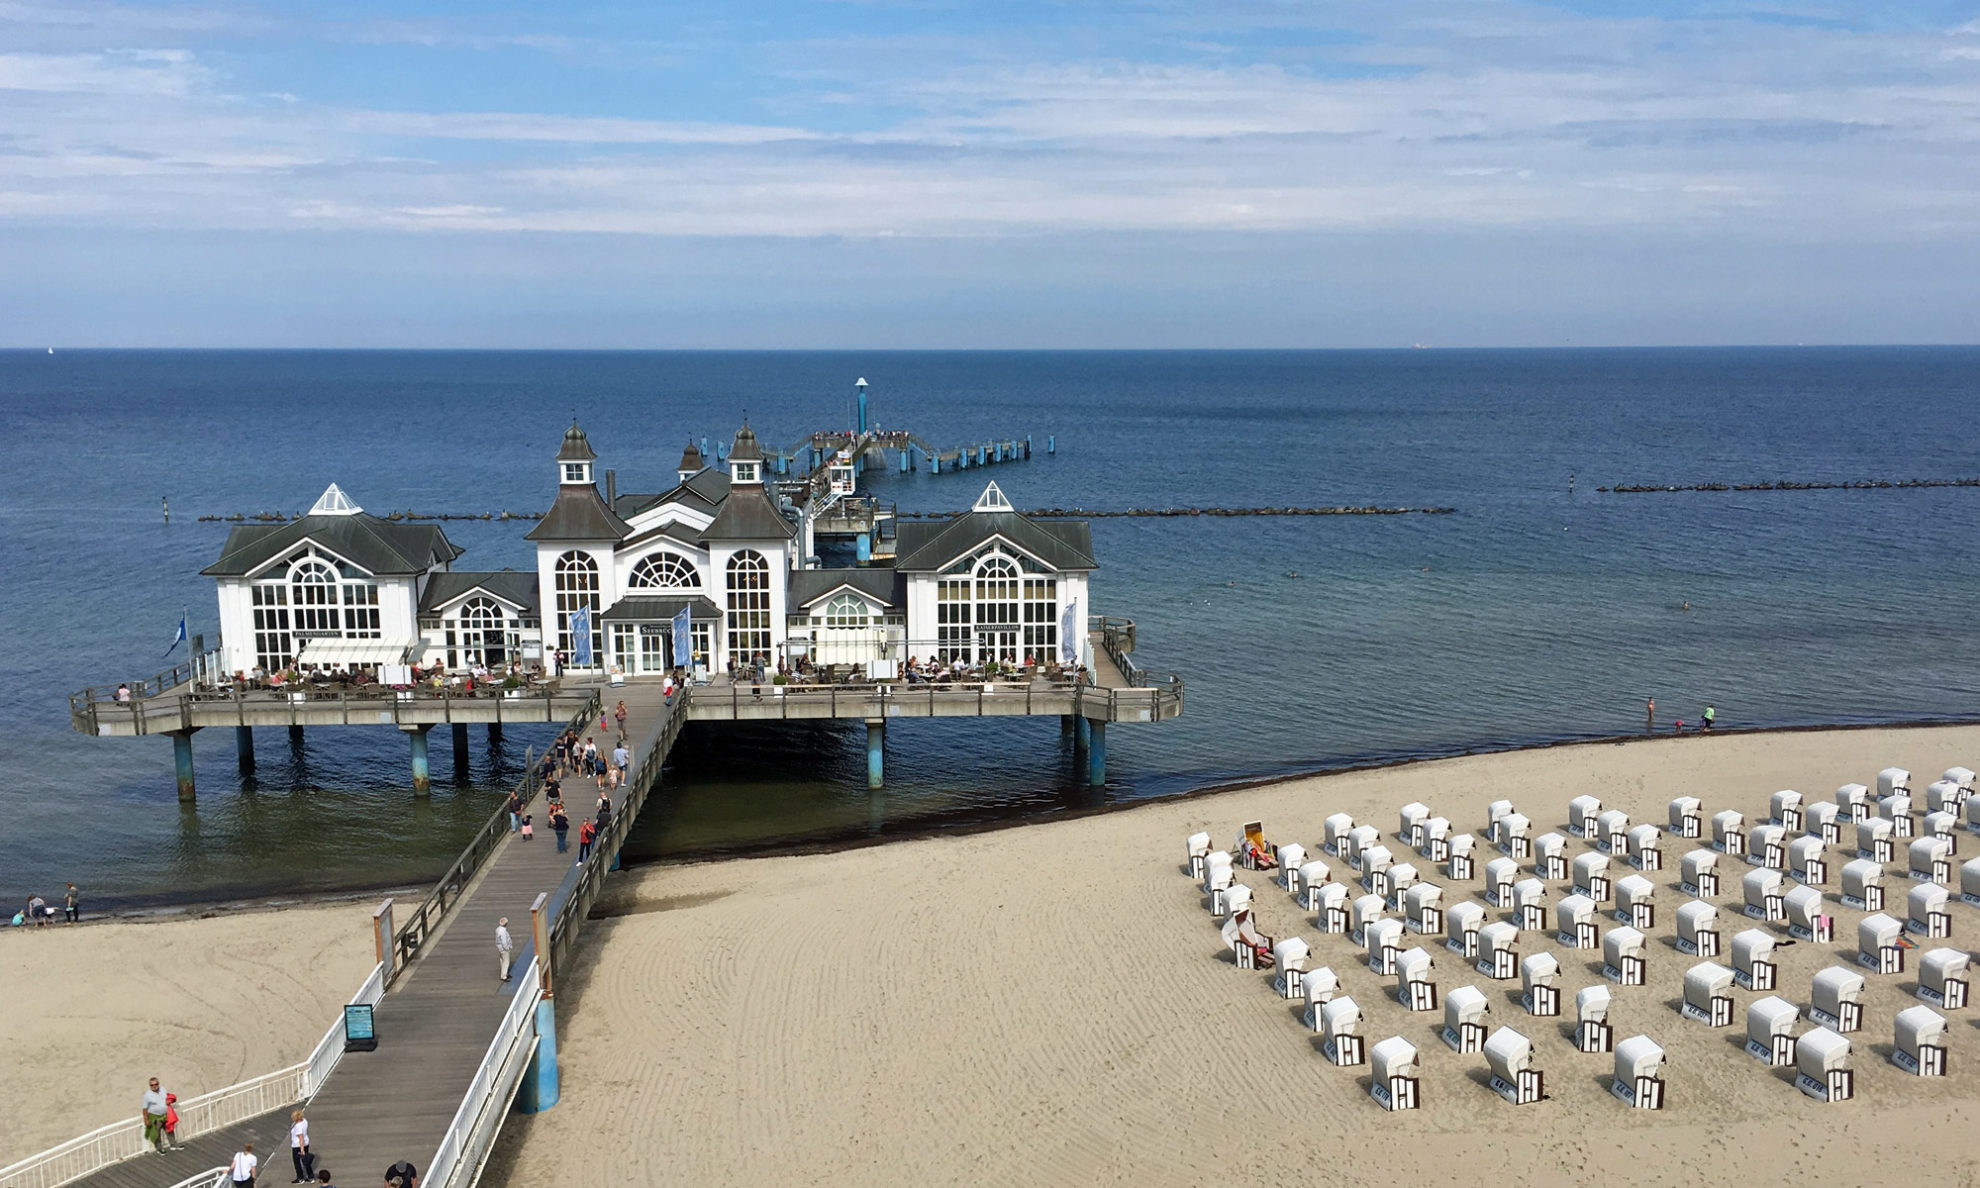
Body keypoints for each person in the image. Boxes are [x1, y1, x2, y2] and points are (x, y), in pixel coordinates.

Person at [141, 1076, 174, 1152]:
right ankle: (159, 1148)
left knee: (169, 1129)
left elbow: (167, 1097)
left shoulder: (163, 1089)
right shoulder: (147, 1096)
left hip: (165, 1115)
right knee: (156, 1133)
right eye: (151, 1085)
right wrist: (146, 1120)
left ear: (158, 1084)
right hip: (155, 1117)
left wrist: (171, 1100)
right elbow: (144, 1109)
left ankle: (173, 1143)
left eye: (155, 1084)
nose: (154, 1086)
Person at [290, 1108, 315, 1183]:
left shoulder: (298, 1126)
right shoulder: (304, 1121)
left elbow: (301, 1138)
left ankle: (300, 1178)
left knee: (297, 1162)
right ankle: (311, 1176)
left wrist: (302, 1150)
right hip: (306, 1143)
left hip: (298, 1146)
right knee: (306, 1161)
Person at [496, 917, 514, 983]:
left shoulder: (498, 929)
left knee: (502, 961)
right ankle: (503, 976)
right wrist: (507, 948)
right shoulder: (503, 931)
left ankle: (505, 973)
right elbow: (504, 941)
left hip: (500, 947)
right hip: (504, 948)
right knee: (506, 962)